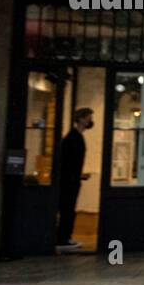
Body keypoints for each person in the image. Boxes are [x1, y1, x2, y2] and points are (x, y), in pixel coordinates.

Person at [56, 106, 94, 253]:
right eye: (88, 118)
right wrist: (77, 175)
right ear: (81, 119)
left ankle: (65, 237)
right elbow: (67, 162)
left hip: (72, 179)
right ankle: (62, 238)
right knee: (67, 208)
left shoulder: (76, 137)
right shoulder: (73, 138)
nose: (90, 121)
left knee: (69, 209)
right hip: (68, 181)